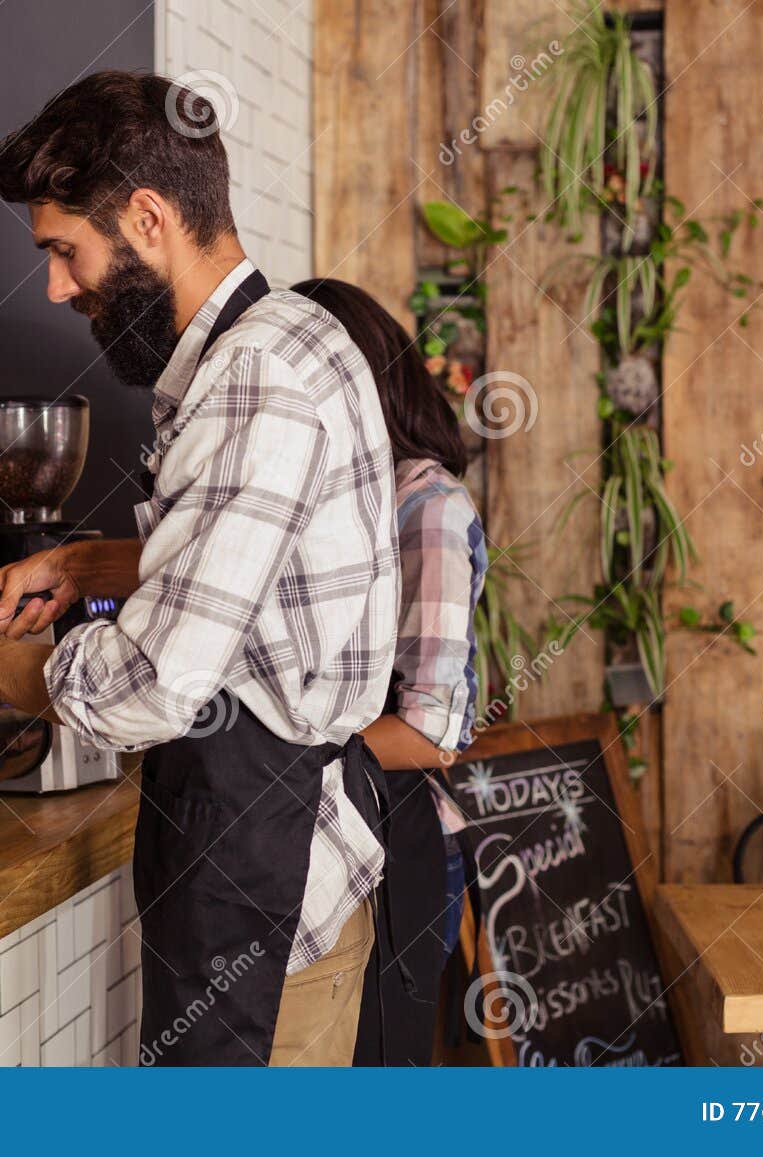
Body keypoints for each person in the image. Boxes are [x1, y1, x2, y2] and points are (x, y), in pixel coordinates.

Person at [0, 71, 400, 1067]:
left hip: (268, 899)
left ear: (147, 217)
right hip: (285, 873)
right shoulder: (293, 336)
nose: (56, 286)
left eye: (63, 251)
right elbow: (261, 567)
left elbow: (154, 683)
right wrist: (83, 563)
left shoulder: (250, 376)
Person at [292, 278, 486, 1066]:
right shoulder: (350, 503)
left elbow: (431, 732)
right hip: (341, 831)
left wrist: (283, 756)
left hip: (397, 841)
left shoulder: (426, 505)